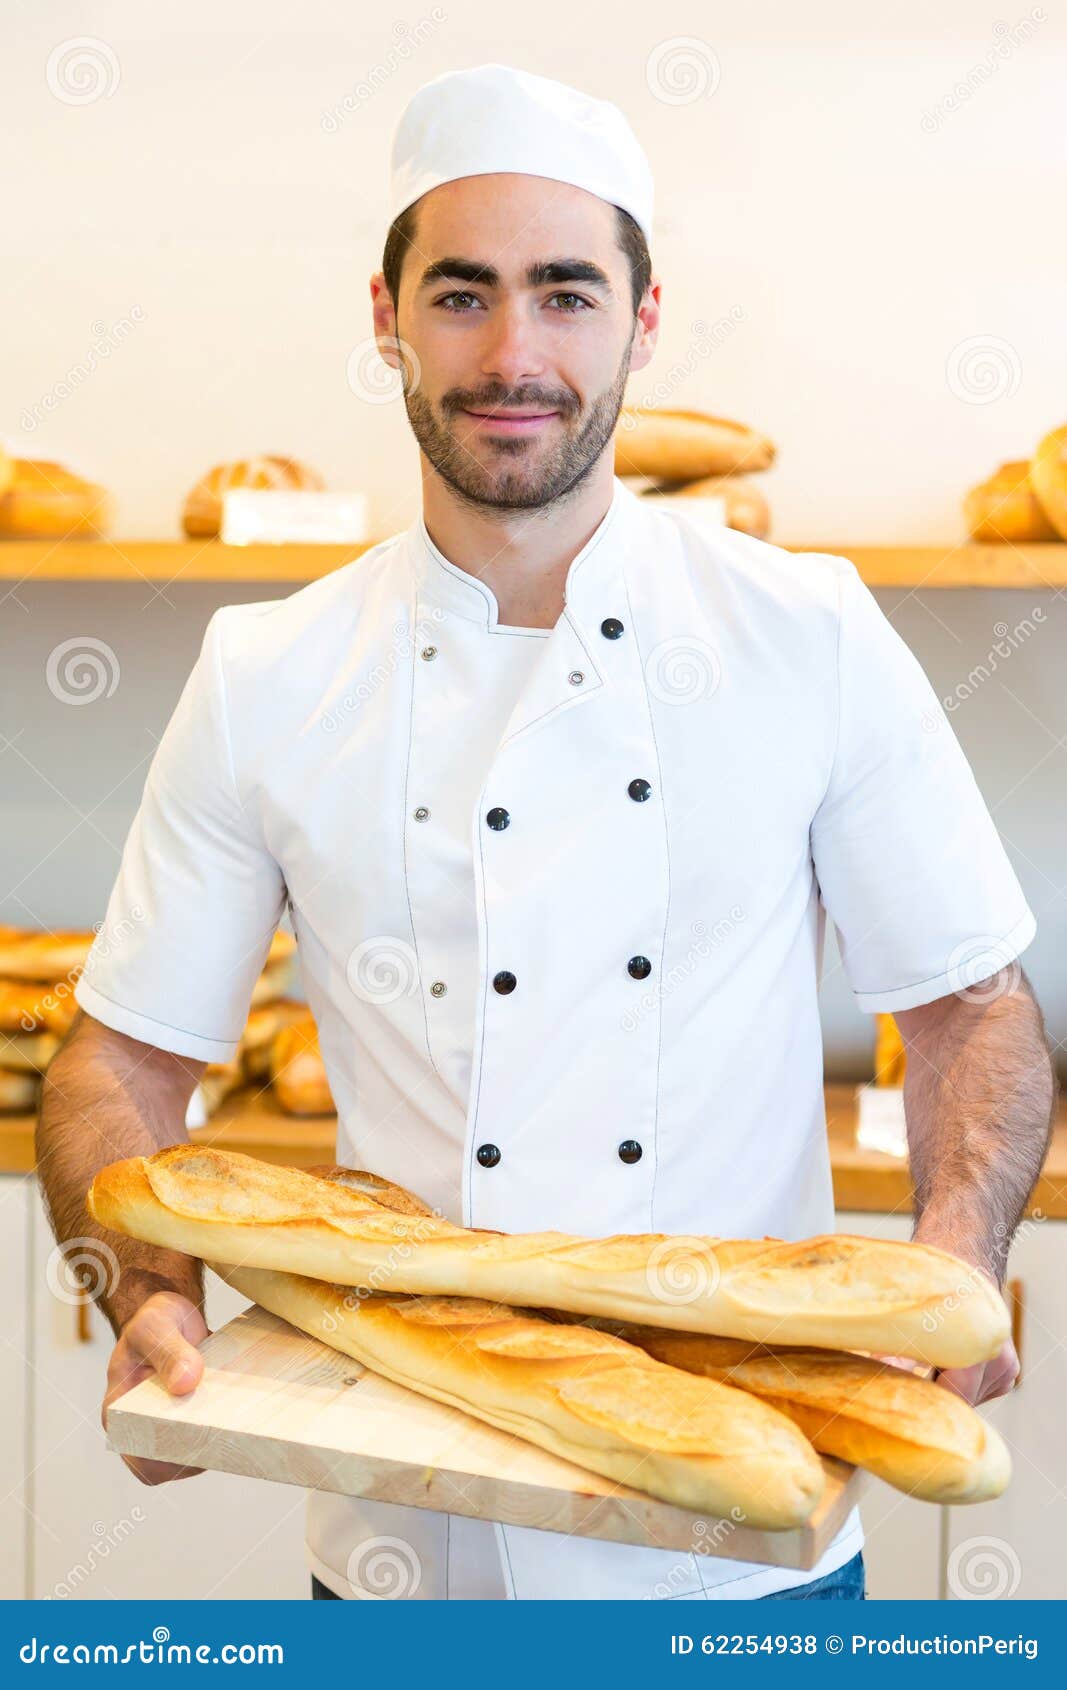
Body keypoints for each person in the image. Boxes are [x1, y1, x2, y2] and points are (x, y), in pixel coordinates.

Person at [38, 63, 1054, 1602]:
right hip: (400, 1544)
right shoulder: (269, 670)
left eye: (568, 294)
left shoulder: (809, 631)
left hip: (748, 1549)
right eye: (463, 294)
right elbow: (120, 1059)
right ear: (384, 313)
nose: (514, 355)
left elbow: (972, 1008)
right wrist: (148, 1295)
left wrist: (958, 1272)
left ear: (644, 323)